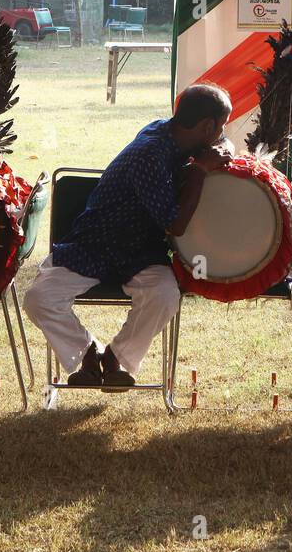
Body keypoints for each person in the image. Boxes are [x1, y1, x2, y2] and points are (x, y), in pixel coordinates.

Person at [24, 84, 233, 388]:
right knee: (38, 298)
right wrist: (200, 171)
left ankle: (115, 358)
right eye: (221, 126)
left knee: (164, 296)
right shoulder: (149, 153)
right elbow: (175, 225)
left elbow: (225, 145)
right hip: (94, 243)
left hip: (141, 250)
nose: (223, 133)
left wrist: (224, 149)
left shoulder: (172, 132)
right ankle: (88, 356)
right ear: (206, 126)